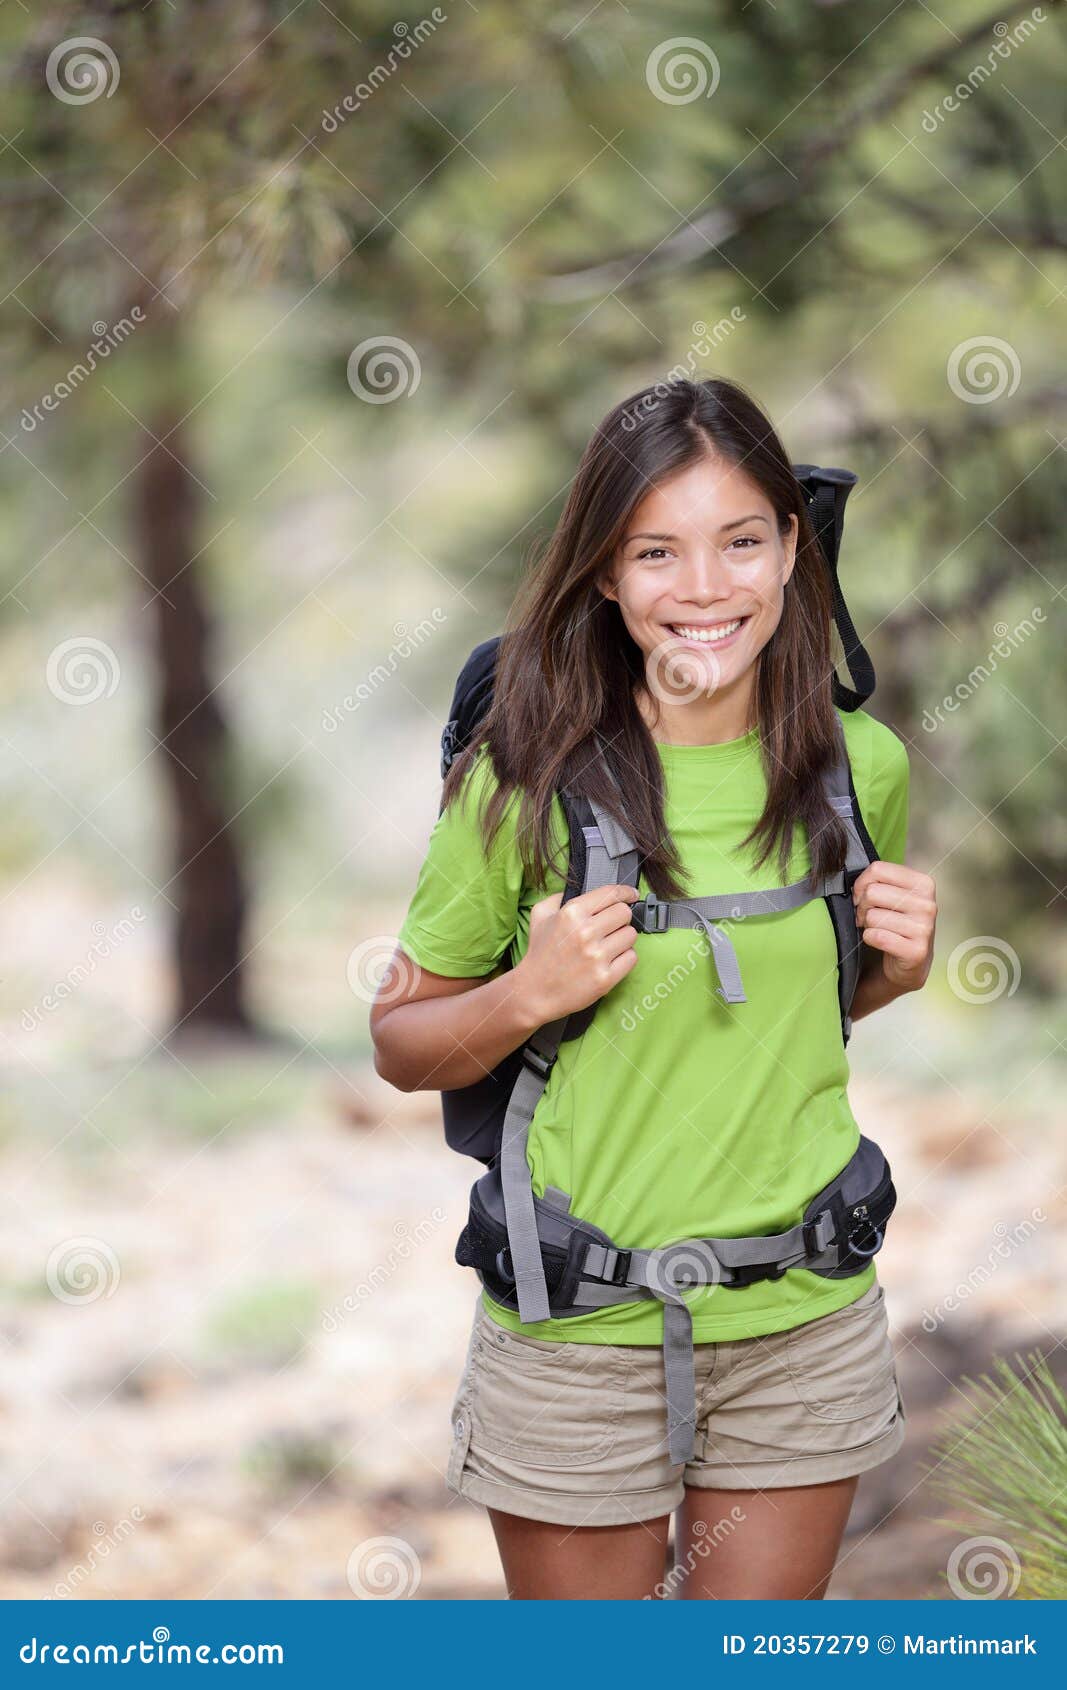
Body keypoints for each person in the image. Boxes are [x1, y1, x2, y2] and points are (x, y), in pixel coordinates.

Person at [371, 376, 937, 1600]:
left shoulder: (861, 769)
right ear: (606, 575)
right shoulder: (518, 782)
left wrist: (891, 972)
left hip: (801, 1319)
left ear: (793, 547)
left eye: (740, 541)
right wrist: (527, 991)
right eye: (655, 552)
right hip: (579, 1334)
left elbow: (795, 1014)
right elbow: (401, 1041)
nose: (702, 589)